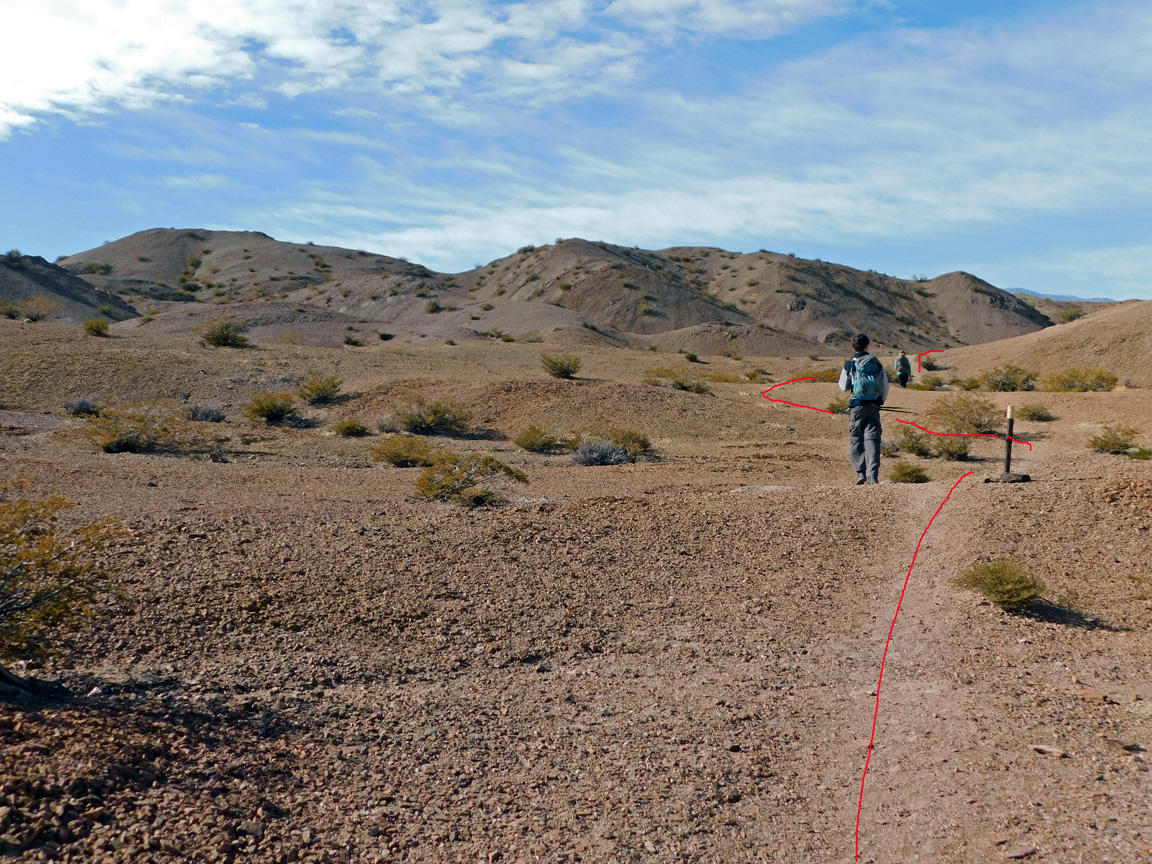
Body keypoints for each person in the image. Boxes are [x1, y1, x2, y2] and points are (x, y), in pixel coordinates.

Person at [838, 333, 890, 485]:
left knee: (856, 439)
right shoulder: (875, 363)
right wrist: (880, 400)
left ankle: (860, 473)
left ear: (853, 347)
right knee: (872, 439)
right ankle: (872, 476)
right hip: (873, 406)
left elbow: (843, 386)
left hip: (856, 406)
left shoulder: (850, 365)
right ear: (868, 346)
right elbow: (884, 385)